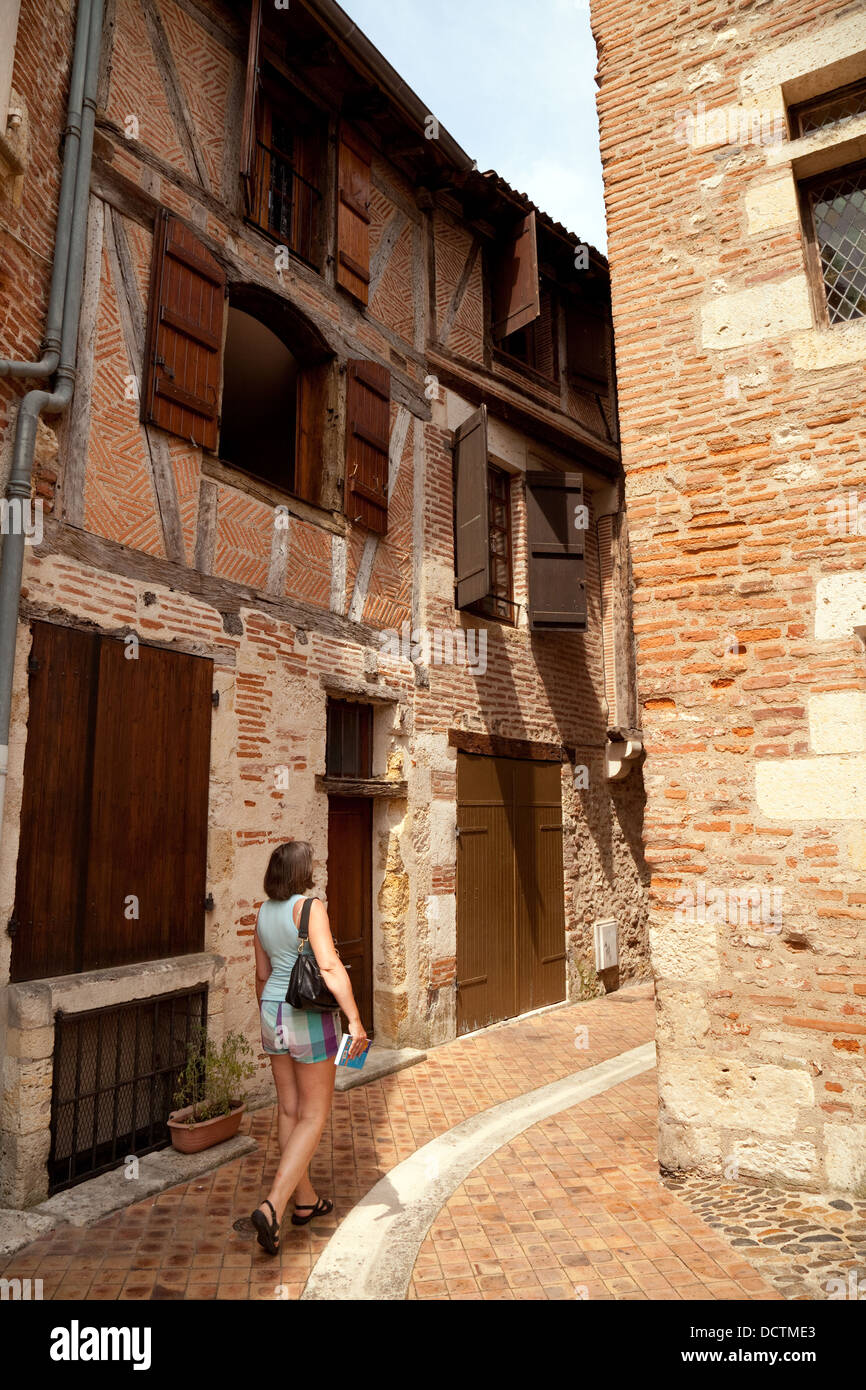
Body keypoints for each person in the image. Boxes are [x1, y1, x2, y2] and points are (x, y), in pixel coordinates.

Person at [250, 839, 368, 1256]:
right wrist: (354, 1021)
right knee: (314, 1113)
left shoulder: (261, 914)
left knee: (288, 1110)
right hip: (306, 1016)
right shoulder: (310, 908)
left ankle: (304, 1201)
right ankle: (273, 1204)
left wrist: (270, 1016)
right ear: (302, 872)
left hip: (272, 1012)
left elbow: (262, 975)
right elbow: (330, 966)